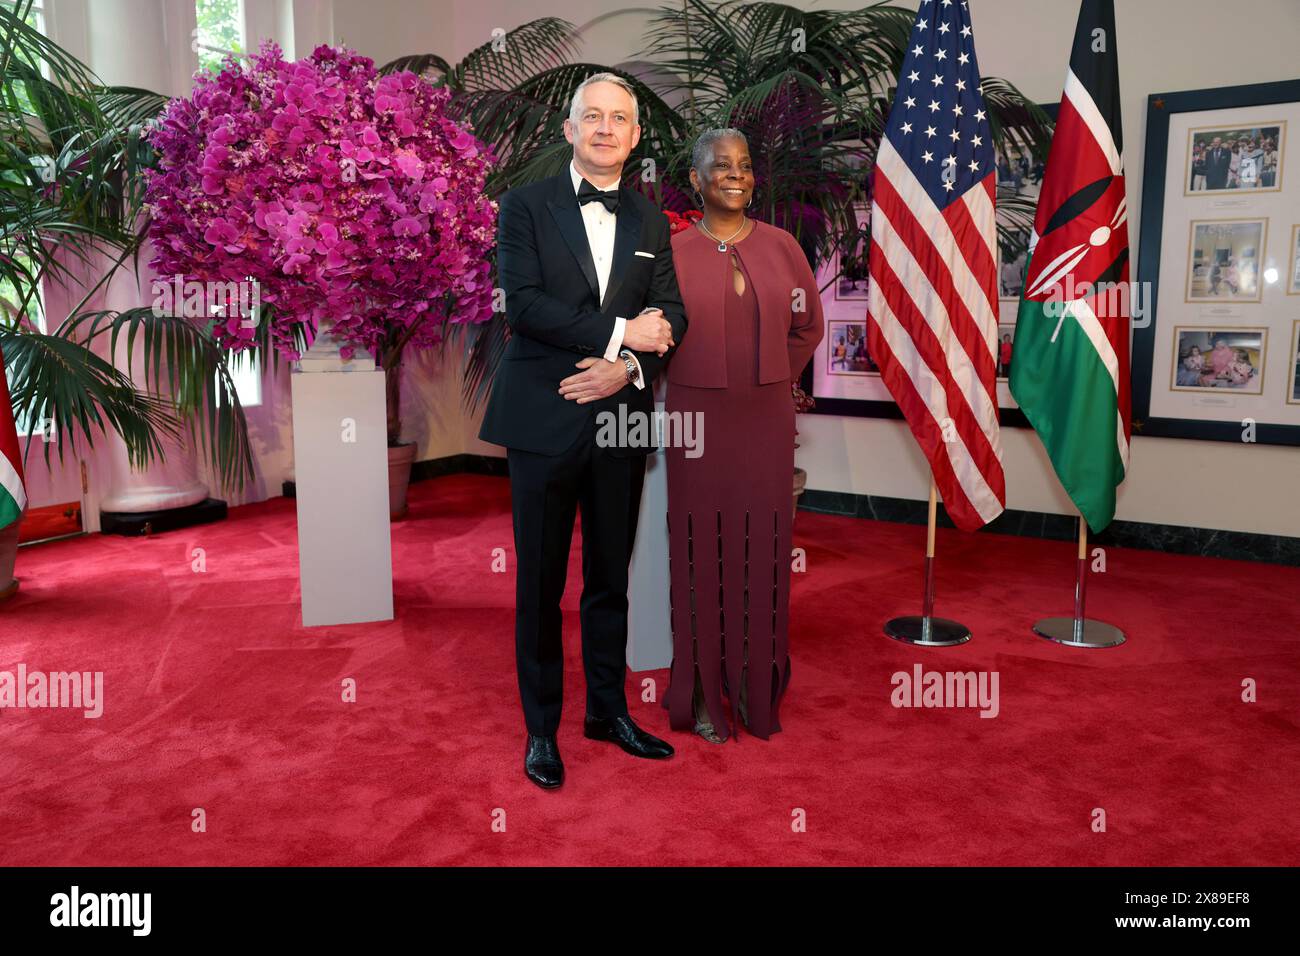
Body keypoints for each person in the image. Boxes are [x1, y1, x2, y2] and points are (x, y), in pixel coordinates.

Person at [478, 73, 688, 789]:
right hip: (543, 414)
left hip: (619, 419)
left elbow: (673, 316)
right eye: (591, 116)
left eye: (618, 118)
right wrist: (623, 336)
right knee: (539, 583)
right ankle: (541, 728)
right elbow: (525, 306)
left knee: (608, 578)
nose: (604, 128)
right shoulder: (524, 206)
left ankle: (607, 711)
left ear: (635, 136)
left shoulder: (651, 220)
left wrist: (623, 370)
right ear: (569, 130)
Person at [660, 128, 824, 743]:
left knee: (763, 549)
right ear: (695, 179)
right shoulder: (671, 252)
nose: (735, 174)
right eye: (721, 165)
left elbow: (807, 326)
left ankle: (757, 690)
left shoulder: (783, 247)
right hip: (694, 421)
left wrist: (769, 374)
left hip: (765, 417)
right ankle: (702, 692)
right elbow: (651, 332)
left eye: (745, 165)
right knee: (700, 550)